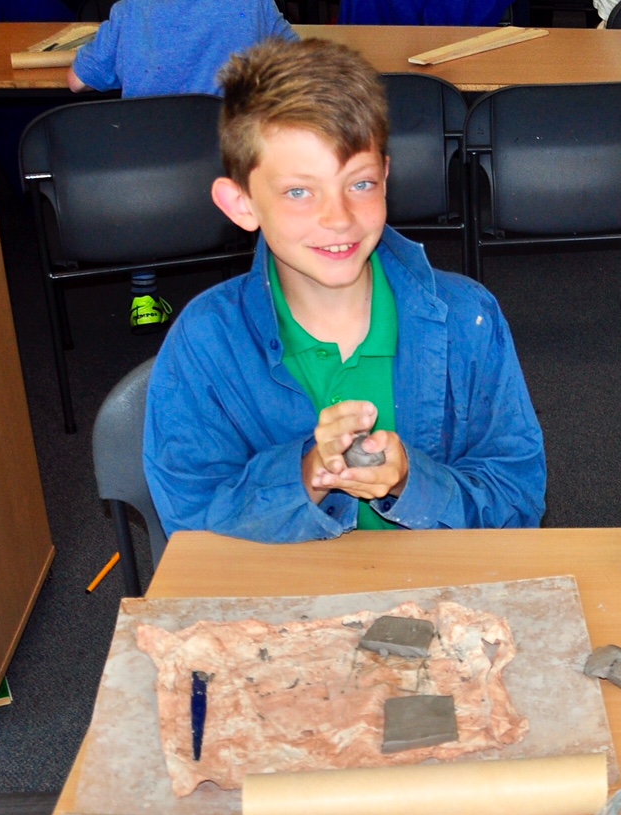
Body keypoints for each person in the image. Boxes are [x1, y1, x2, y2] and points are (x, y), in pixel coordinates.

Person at [143, 38, 546, 543]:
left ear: (385, 177)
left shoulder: (470, 319)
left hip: (438, 596)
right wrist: (307, 473)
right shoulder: (205, 343)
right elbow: (194, 533)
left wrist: (412, 481)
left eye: (360, 184)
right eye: (298, 192)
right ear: (241, 203)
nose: (338, 219)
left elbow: (518, 501)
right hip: (286, 612)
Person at [68, 0, 298, 332]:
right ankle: (260, 289)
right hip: (226, 172)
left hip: (146, 185)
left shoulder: (131, 9)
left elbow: (76, 81)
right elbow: (298, 60)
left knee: (141, 152)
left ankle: (144, 298)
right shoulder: (254, 4)